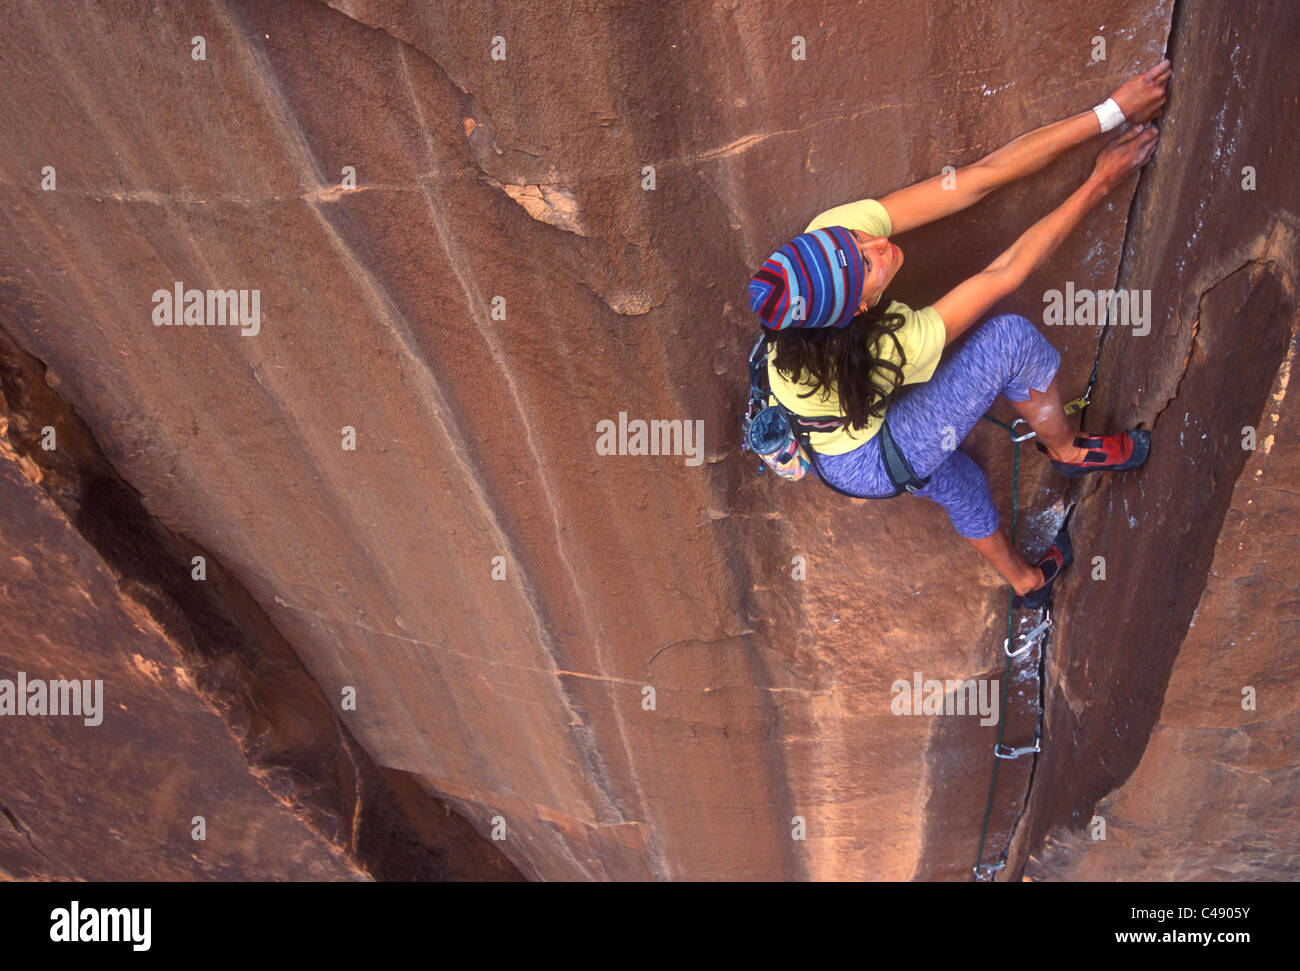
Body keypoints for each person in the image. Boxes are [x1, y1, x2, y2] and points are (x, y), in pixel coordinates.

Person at [748, 60, 1172, 608]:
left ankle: (1027, 584)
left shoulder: (822, 246)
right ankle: (1066, 449)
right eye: (869, 266)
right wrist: (1101, 181)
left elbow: (977, 180)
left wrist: (1110, 113)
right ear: (859, 307)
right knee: (1011, 343)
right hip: (871, 460)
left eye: (860, 239)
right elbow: (1006, 273)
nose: (880, 248)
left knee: (957, 477)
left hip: (833, 447)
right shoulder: (888, 347)